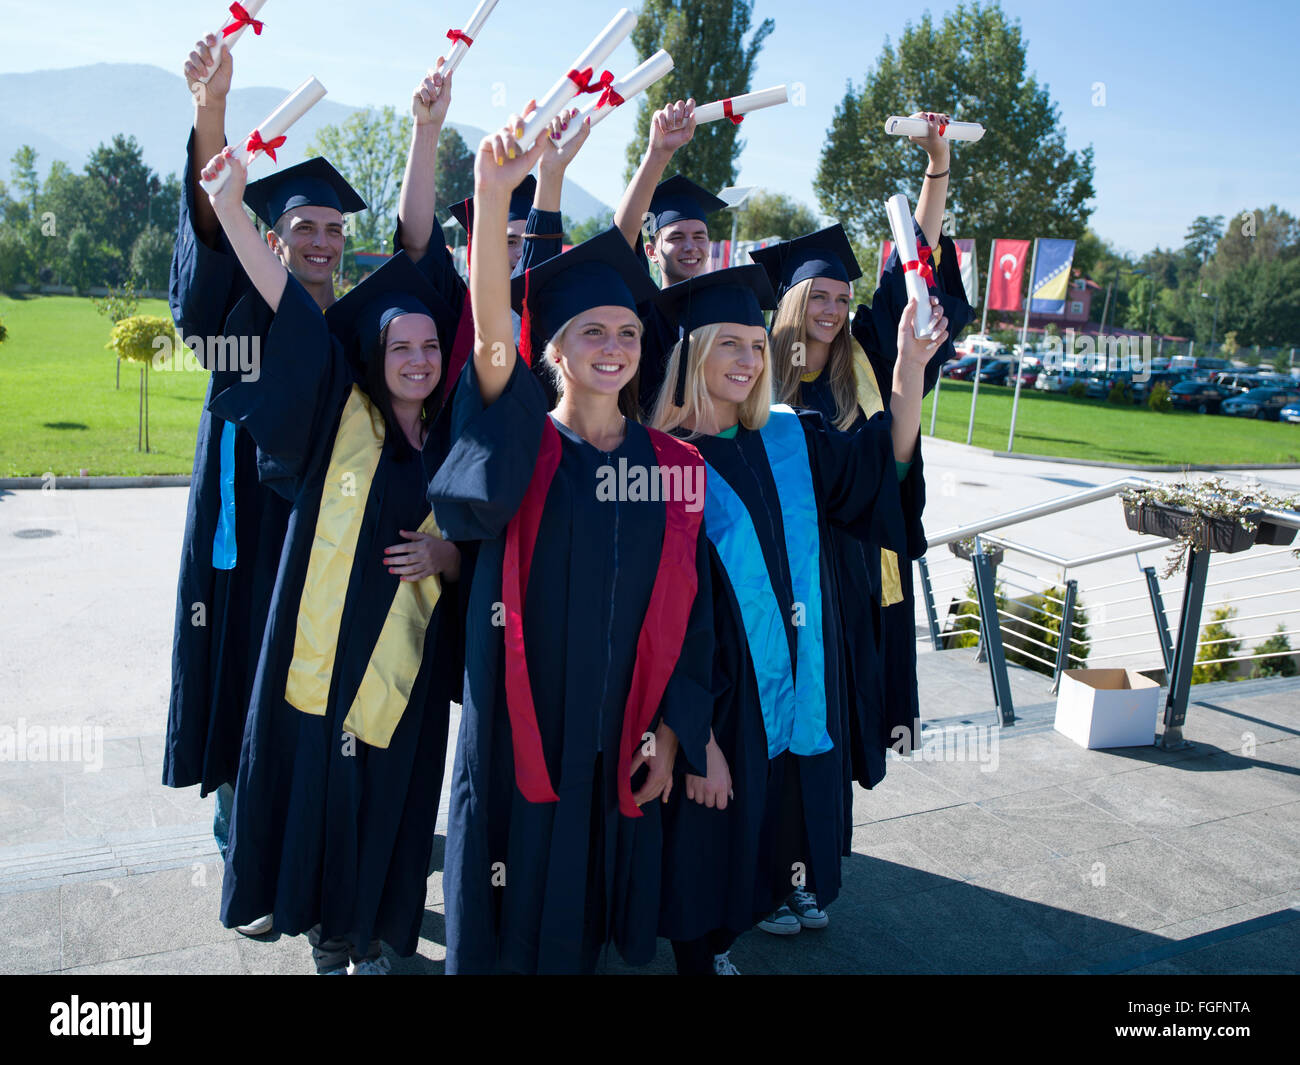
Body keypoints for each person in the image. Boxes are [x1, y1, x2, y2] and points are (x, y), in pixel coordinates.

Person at [426, 114, 716, 974]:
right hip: (522, 733)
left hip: (611, 735)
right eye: (592, 331)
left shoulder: (672, 466)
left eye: (627, 333)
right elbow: (486, 336)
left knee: (583, 925)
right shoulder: (521, 436)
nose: (616, 348)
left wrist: (675, 729)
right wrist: (492, 195)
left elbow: (689, 618)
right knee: (505, 918)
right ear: (552, 348)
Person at [199, 138, 464, 974]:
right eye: (401, 348)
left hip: (408, 674)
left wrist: (446, 555)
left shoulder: (456, 443)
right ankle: (329, 935)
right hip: (327, 658)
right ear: (377, 356)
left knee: (395, 803)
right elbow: (293, 307)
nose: (419, 359)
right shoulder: (339, 416)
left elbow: (479, 548)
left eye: (430, 347)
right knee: (328, 798)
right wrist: (236, 213)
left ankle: (378, 931)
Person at [649, 265, 948, 968]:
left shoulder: (791, 437)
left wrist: (908, 364)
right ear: (693, 352)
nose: (750, 360)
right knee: (705, 850)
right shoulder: (660, 464)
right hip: (718, 707)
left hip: (797, 696)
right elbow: (653, 628)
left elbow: (883, 463)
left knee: (771, 838)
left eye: (757, 345)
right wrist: (697, 741)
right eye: (730, 344)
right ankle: (703, 954)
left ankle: (726, 938)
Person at [166, 36, 367, 942]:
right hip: (249, 526)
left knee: (308, 679)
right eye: (304, 228)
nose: (321, 242)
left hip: (325, 532)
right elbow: (208, 247)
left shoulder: (360, 322)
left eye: (332, 230)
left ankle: (309, 838)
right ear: (274, 233)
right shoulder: (238, 310)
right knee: (246, 667)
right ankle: (239, 836)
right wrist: (212, 111)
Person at [613, 99, 729, 411]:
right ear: (650, 251)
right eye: (676, 237)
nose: (691, 246)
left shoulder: (727, 312)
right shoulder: (645, 312)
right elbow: (623, 237)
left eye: (699, 236)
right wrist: (659, 153)